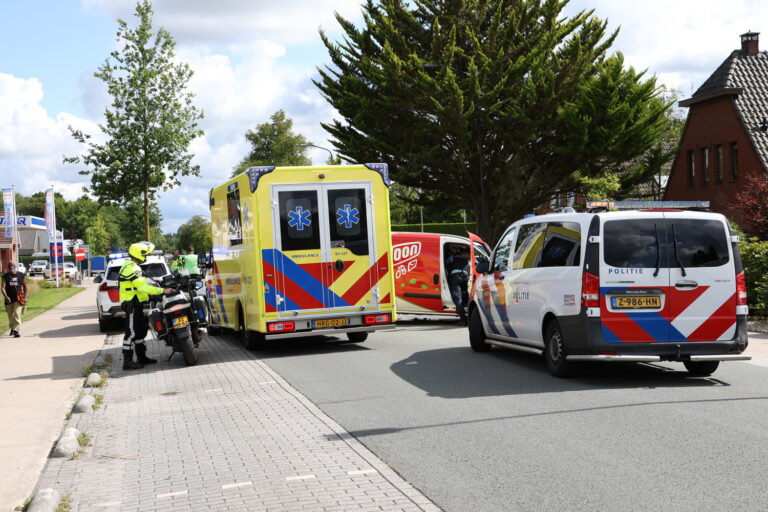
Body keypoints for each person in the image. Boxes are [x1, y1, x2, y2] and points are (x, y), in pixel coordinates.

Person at [120, 242, 173, 370]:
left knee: (140, 331)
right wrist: (162, 291)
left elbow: (138, 288)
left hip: (136, 303)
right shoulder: (132, 268)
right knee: (131, 333)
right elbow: (142, 287)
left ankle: (141, 357)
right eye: (146, 254)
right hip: (131, 304)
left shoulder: (132, 266)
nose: (146, 256)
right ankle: (127, 362)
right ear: (139, 254)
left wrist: (151, 295)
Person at [2, 262, 27, 338]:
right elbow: (3, 287)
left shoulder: (21, 275)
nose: (11, 267)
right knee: (10, 316)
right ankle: (12, 327)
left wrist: (25, 297)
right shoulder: (5, 276)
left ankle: (16, 330)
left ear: (15, 266)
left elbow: (25, 286)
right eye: (9, 265)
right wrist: (6, 297)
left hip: (18, 299)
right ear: (8, 267)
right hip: (8, 300)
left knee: (17, 314)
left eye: (12, 265)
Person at [445, 246, 470, 324]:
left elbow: (444, 264)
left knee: (458, 298)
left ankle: (463, 319)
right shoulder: (469, 261)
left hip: (456, 277)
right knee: (466, 296)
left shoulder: (452, 257)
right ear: (465, 253)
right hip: (465, 278)